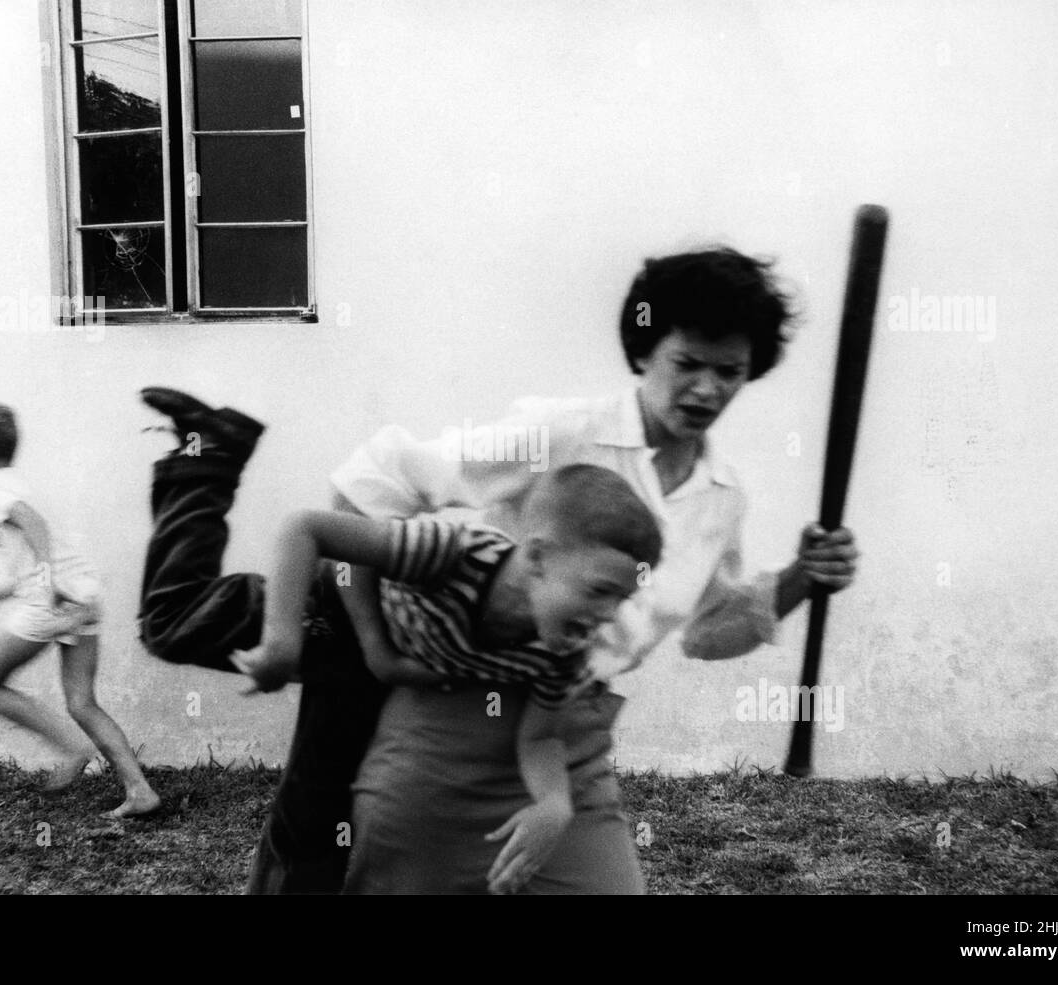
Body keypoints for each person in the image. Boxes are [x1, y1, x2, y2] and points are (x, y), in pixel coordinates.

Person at [327, 246, 861, 892]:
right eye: (687, 363)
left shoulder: (722, 494)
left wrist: (803, 576)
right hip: (452, 721)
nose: (707, 388)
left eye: (730, 371)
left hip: (570, 735)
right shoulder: (562, 432)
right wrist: (375, 644)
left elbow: (707, 631)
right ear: (643, 352)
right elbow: (370, 483)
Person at [135, 387, 664, 893]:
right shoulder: (454, 554)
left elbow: (542, 737)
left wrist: (554, 801)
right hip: (343, 602)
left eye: (621, 599)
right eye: (600, 591)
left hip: (396, 664)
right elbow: (311, 530)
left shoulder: (561, 652)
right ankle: (210, 453)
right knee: (172, 619)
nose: (609, 616)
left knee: (323, 809)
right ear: (539, 557)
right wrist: (308, 644)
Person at [0, 403, 160, 818]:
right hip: (82, 597)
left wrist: (46, 589)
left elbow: (37, 532)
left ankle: (72, 749)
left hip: (54, 602)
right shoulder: (17, 484)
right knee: (81, 701)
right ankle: (140, 791)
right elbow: (39, 559)